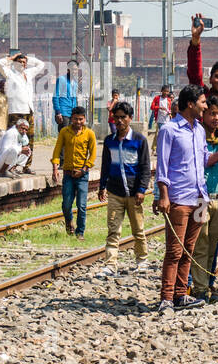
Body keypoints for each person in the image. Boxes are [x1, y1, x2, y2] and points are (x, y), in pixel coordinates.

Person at [155, 85, 218, 311]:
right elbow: (162, 166)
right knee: (174, 250)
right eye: (202, 102)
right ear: (190, 104)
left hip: (200, 198)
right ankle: (167, 298)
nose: (205, 106)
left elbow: (204, 160)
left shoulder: (199, 130)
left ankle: (181, 295)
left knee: (189, 249)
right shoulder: (169, 130)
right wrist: (163, 196)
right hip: (179, 198)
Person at [97, 101, 152, 274]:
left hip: (134, 193)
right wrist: (102, 186)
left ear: (130, 118)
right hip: (115, 192)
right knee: (113, 229)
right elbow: (105, 165)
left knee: (138, 229)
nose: (119, 121)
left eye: (123, 117)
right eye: (116, 117)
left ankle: (142, 260)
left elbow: (145, 167)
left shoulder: (139, 141)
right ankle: (110, 264)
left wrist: (142, 190)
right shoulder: (109, 141)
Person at [189, 95, 218, 298]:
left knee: (213, 244)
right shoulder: (196, 136)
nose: (216, 118)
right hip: (200, 199)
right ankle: (199, 287)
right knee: (200, 244)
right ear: (203, 114)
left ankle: (207, 284)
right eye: (212, 113)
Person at [51, 106, 97, 240]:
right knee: (66, 204)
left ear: (84, 119)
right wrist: (55, 169)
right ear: (71, 119)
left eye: (81, 119)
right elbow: (57, 150)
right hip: (68, 174)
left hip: (82, 174)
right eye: (75, 119)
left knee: (81, 205)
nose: (78, 122)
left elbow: (93, 155)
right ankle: (69, 222)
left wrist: (84, 169)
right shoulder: (64, 132)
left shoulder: (89, 134)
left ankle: (80, 232)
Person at [0, 52, 45, 170]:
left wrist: (27, 58)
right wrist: (12, 58)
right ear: (14, 64)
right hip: (15, 111)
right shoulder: (10, 73)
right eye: (19, 62)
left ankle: (26, 165)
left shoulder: (28, 73)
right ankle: (10, 166)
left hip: (29, 110)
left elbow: (41, 64)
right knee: (14, 141)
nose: (22, 64)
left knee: (29, 139)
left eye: (24, 63)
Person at [53, 60, 79, 130]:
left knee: (72, 135)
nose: (74, 71)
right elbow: (55, 96)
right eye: (72, 69)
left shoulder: (75, 82)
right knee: (64, 135)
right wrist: (58, 112)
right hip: (63, 112)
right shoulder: (62, 79)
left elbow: (74, 99)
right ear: (68, 69)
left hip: (72, 113)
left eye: (76, 69)